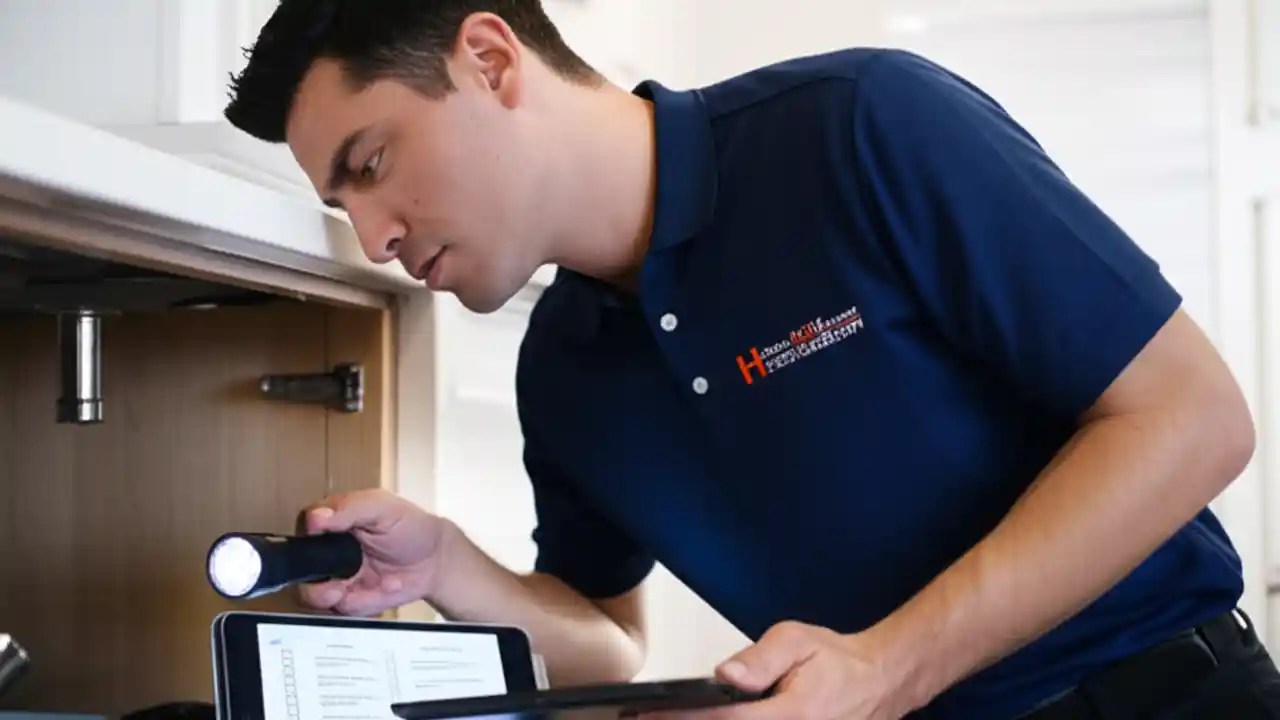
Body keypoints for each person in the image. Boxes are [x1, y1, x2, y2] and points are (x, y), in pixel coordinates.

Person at [223, 2, 1276, 717]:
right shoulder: (560, 369)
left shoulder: (862, 124)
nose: (372, 238)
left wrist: (884, 670)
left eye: (371, 165)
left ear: (491, 61)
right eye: (340, 204)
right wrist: (447, 567)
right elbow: (606, 643)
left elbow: (1191, 417)